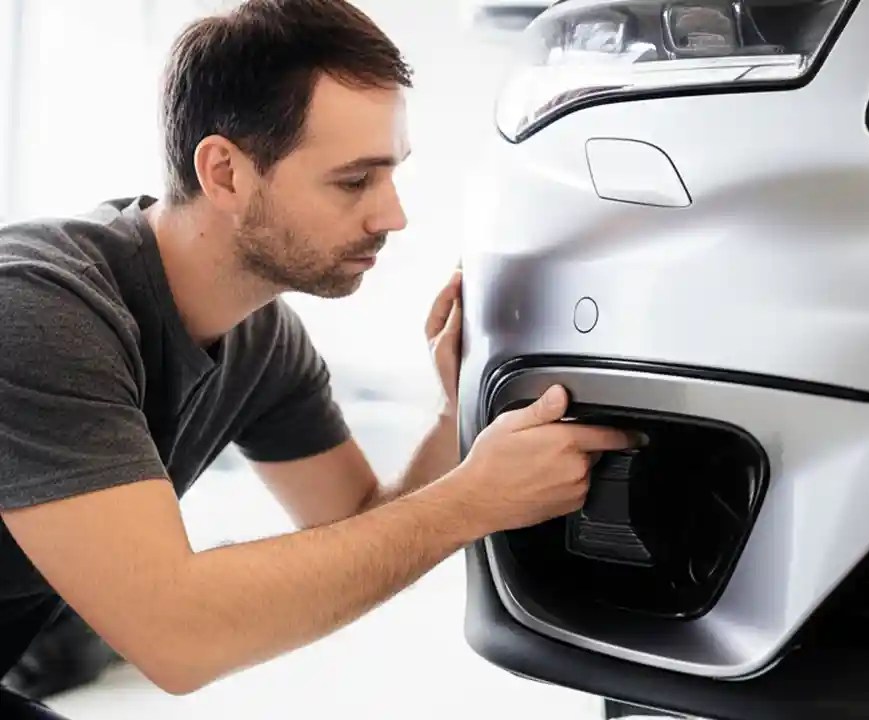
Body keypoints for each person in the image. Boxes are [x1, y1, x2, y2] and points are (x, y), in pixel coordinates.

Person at [0, 0, 637, 716]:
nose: (393, 215)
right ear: (227, 174)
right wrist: (475, 500)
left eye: (392, 174)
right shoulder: (37, 307)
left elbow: (361, 519)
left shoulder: (261, 339)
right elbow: (175, 636)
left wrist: (454, 414)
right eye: (354, 181)